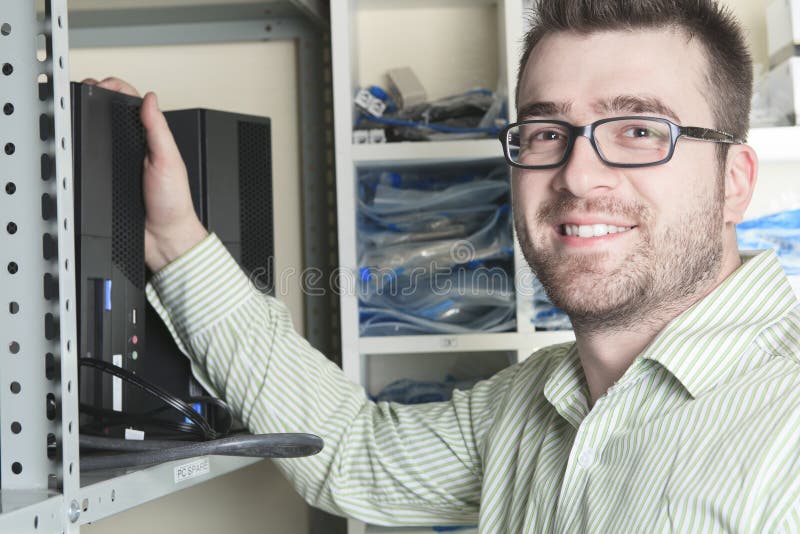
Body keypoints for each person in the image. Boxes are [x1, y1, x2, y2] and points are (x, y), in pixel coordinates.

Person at [92, 0, 800, 531]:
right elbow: (352, 453)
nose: (579, 176)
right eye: (548, 131)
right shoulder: (530, 401)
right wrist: (176, 242)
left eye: (640, 130)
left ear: (735, 179)